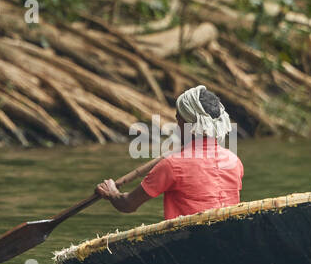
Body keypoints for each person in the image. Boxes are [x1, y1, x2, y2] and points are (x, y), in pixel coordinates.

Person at [96, 85, 242, 219]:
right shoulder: (234, 161)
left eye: (177, 119)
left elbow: (128, 204)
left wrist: (112, 193)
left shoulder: (172, 165)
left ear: (186, 123)